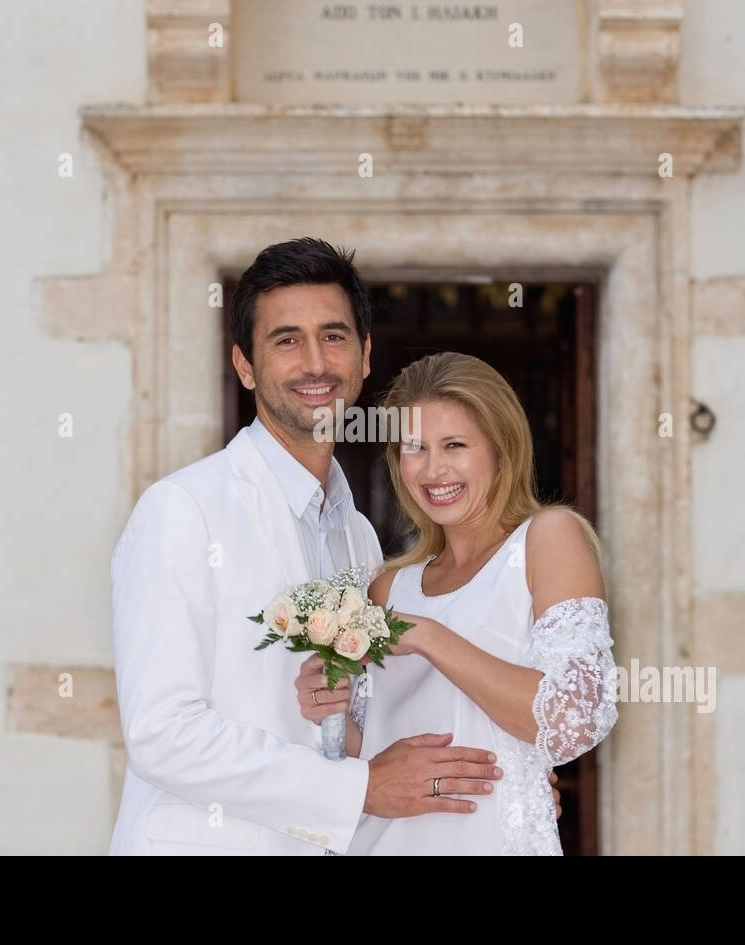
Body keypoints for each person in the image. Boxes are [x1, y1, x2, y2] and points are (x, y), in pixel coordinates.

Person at [108, 238, 505, 855]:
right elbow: (163, 733)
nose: (315, 363)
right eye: (286, 340)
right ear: (245, 366)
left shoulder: (361, 539)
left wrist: (503, 785)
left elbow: (371, 719)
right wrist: (358, 788)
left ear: (365, 354)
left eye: (335, 335)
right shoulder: (183, 510)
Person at [294, 351, 619, 855]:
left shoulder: (546, 540)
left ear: (500, 450)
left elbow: (572, 720)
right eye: (414, 448)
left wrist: (428, 636)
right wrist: (327, 709)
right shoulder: (389, 587)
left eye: (455, 445)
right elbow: (374, 750)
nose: (433, 468)